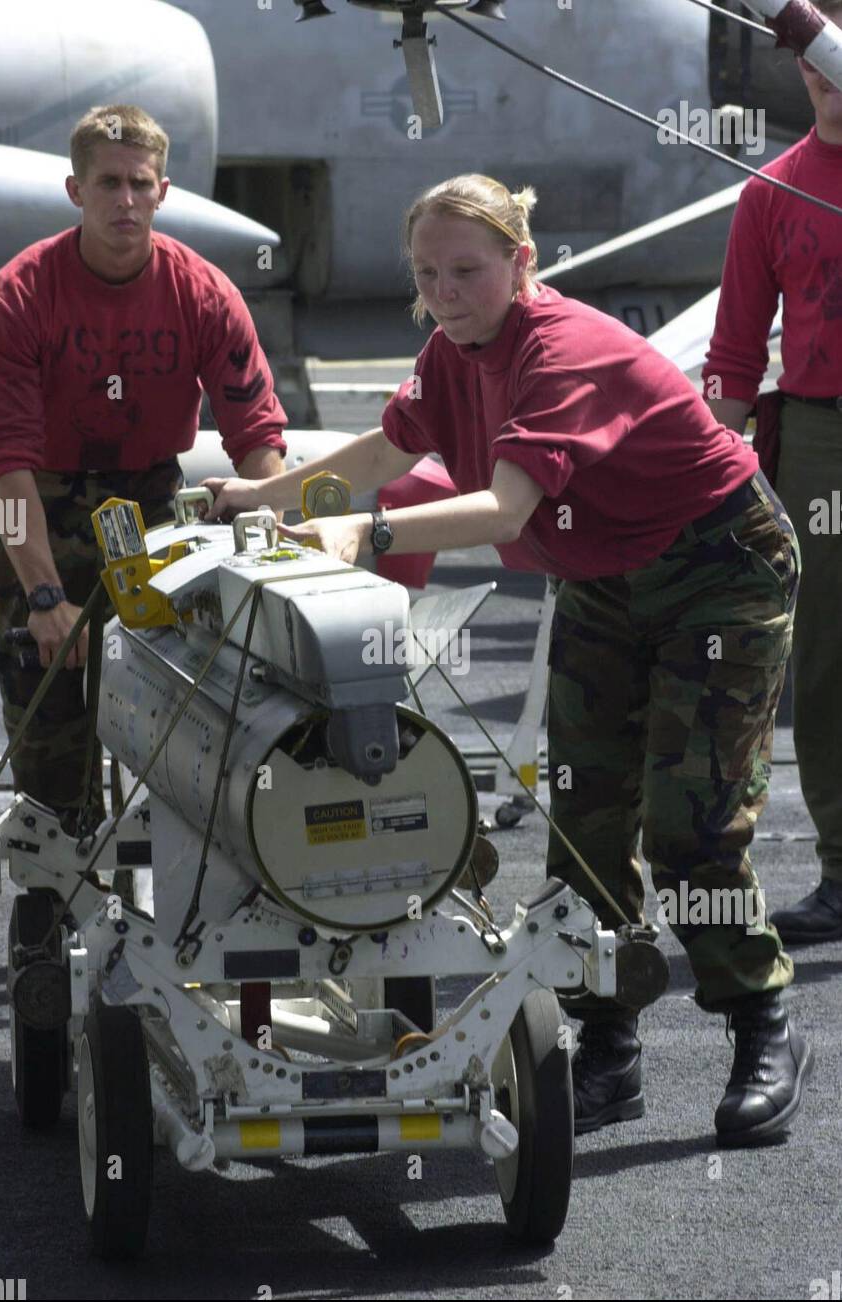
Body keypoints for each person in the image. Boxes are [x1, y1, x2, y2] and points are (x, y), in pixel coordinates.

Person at [204, 173, 813, 1147]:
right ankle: (608, 1046)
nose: (444, 292)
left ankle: (761, 1024)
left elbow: (503, 511)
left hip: (717, 569)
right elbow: (381, 449)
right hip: (606, 577)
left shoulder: (559, 351)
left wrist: (368, 532)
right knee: (583, 819)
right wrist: (264, 493)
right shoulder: (454, 350)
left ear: (522, 263)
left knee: (689, 821)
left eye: (467, 271)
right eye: (427, 273)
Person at [0, 105, 287, 835]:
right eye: (108, 183)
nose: (125, 200)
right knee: (49, 731)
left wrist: (272, 545)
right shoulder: (17, 296)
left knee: (189, 718)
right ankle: (51, 910)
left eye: (139, 184)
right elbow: (3, 465)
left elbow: (257, 435)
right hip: (36, 504)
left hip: (151, 501)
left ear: (162, 193)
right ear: (74, 190)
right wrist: (44, 595)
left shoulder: (205, 292)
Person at [704, 0, 842, 945]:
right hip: (823, 437)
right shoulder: (773, 192)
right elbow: (736, 354)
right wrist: (709, 485)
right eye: (817, 42)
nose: (823, 63)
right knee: (827, 659)